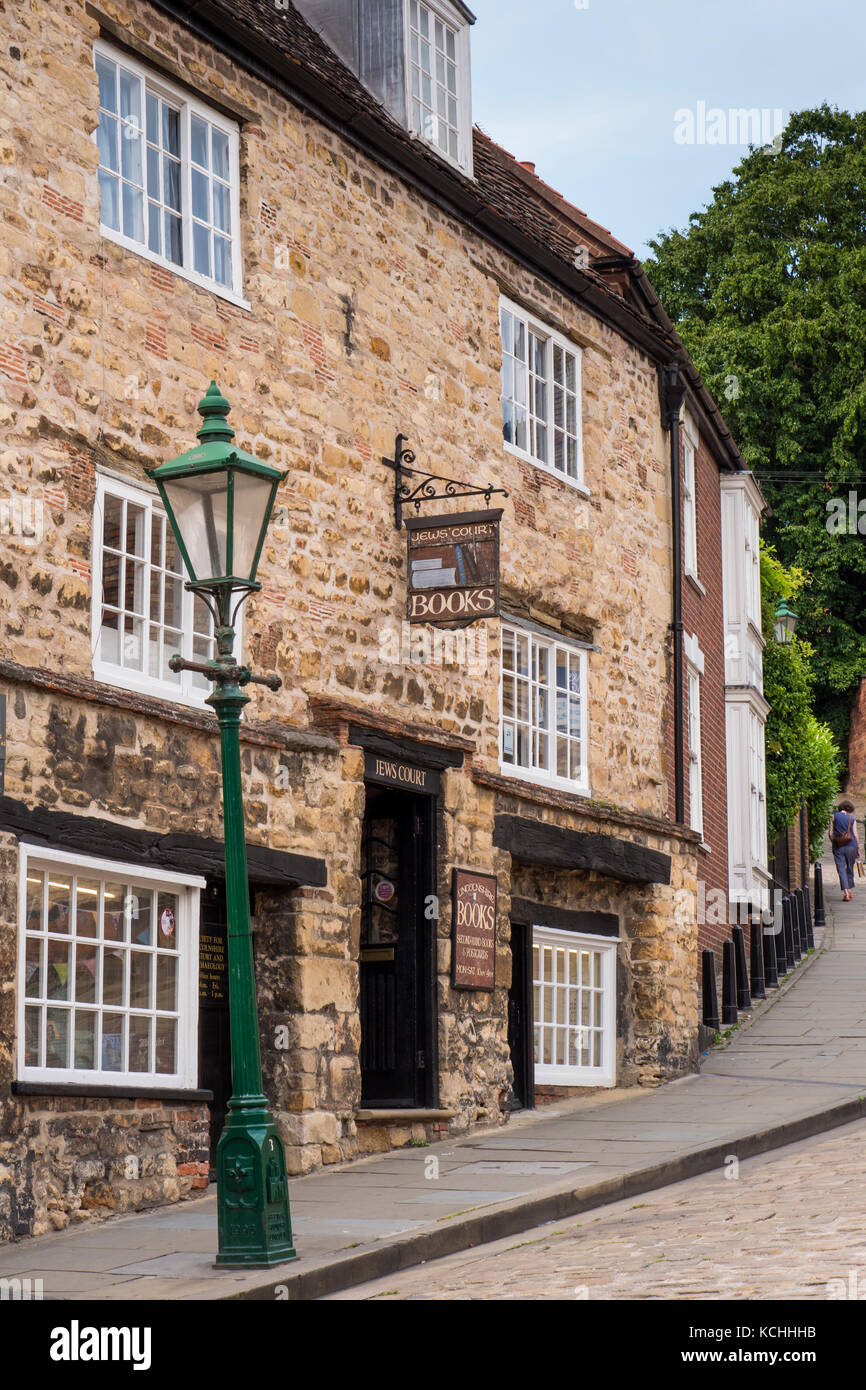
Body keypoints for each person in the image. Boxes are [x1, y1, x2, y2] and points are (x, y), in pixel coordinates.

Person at [831, 799, 859, 901]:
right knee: (850, 868)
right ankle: (849, 888)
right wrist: (858, 848)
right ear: (850, 809)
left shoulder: (834, 816)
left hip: (838, 846)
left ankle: (846, 892)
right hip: (852, 846)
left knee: (841, 869)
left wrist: (834, 842)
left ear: (840, 807)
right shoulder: (852, 818)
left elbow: (830, 833)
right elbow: (855, 835)